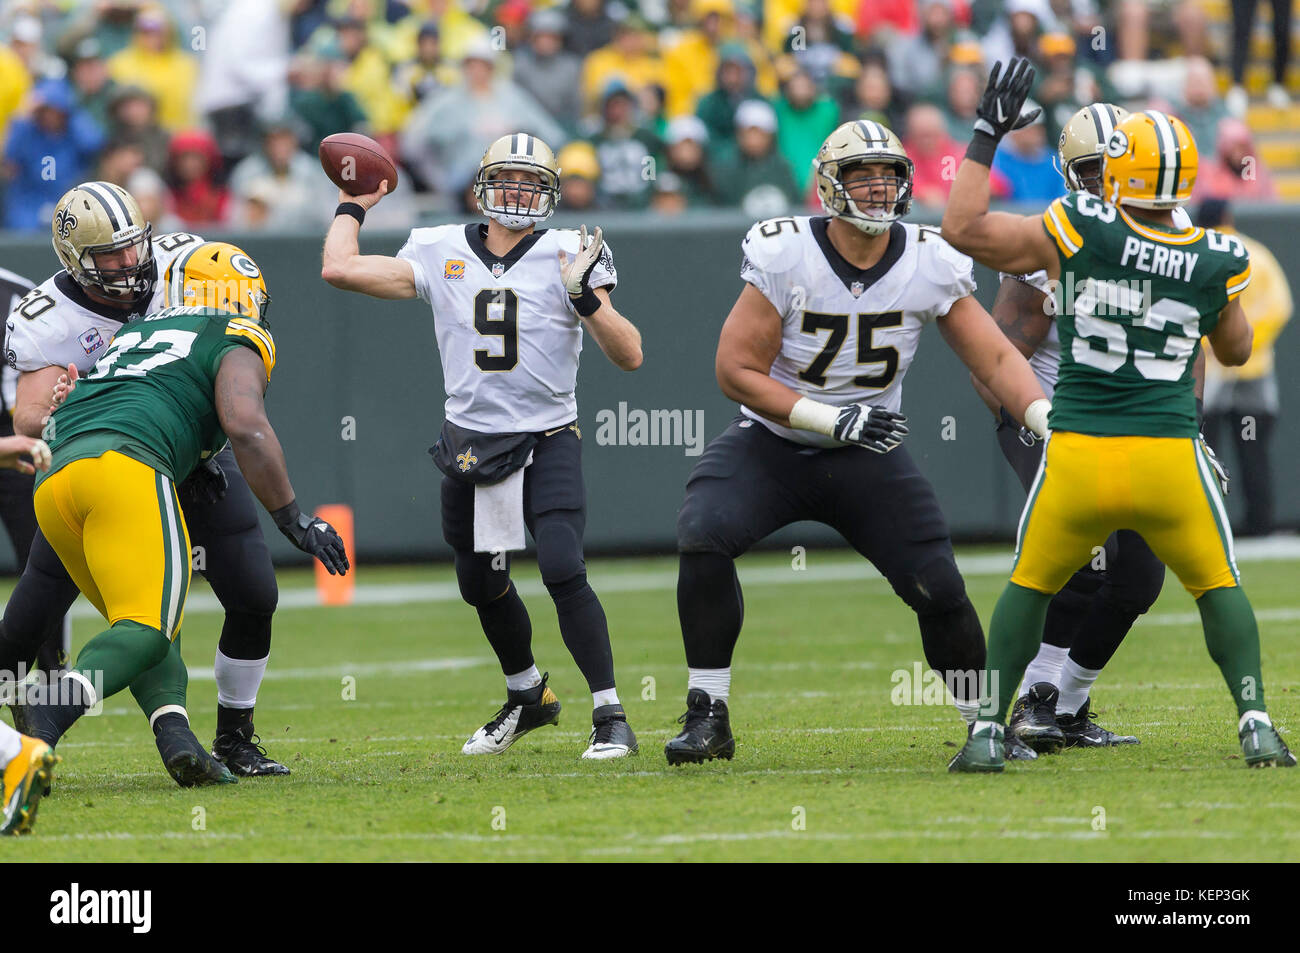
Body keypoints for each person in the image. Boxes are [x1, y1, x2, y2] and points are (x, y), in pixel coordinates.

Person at [942, 58, 1293, 771]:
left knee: (1061, 579)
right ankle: (1253, 720)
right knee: (1212, 581)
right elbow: (1230, 344)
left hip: (1087, 442)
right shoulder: (1210, 251)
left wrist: (985, 136)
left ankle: (1012, 720)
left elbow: (963, 226)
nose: (1100, 182)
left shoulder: (1075, 226)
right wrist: (1034, 420)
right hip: (1122, 439)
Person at [664, 120, 1050, 765]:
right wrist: (826, 417)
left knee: (939, 587)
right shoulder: (786, 253)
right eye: (861, 176)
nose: (878, 188)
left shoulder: (930, 257)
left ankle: (985, 727)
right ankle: (708, 714)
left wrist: (1048, 420)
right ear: (829, 185)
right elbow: (735, 371)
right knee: (703, 533)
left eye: (890, 175)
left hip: (870, 452)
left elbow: (997, 361)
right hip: (774, 441)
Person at [322, 133, 644, 759]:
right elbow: (339, 269)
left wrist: (587, 302)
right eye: (510, 179)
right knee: (480, 582)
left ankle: (611, 716)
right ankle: (528, 697)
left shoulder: (568, 252)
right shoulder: (439, 245)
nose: (520, 192)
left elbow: (629, 353)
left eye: (533, 182)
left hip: (547, 435)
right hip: (474, 443)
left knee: (561, 566)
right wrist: (352, 205)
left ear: (550, 191)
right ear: (482, 185)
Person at [0, 182, 290, 783]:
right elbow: (27, 416)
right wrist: (55, 399)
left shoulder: (183, 260)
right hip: (108, 457)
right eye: (110, 255)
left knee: (254, 592)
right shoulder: (44, 317)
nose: (130, 263)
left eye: (134, 246)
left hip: (192, 455)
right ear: (73, 259)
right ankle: (43, 731)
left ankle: (233, 737)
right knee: (34, 617)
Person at [19, 244, 348, 757]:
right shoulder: (235, 331)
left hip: (57, 472)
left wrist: (193, 452)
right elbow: (245, 425)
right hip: (128, 467)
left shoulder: (128, 334)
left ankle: (168, 737)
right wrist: (294, 520)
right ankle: (51, 708)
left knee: (144, 618)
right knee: (146, 627)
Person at [968, 103, 1216, 751]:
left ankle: (1065, 705)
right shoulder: (1059, 233)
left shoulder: (1171, 229)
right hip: (1048, 413)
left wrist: (1184, 426)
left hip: (1130, 422)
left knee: (1139, 574)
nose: (1107, 184)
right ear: (1070, 173)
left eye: (1116, 169)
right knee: (1085, 547)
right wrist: (1036, 421)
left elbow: (1194, 346)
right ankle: (1025, 703)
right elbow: (994, 357)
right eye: (1093, 171)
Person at [1196, 198, 1292, 538]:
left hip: (1208, 373)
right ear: (1228, 215)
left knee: (1203, 449)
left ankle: (1206, 525)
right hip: (1251, 370)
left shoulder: (1196, 255)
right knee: (1252, 451)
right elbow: (1280, 306)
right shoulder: (1255, 253)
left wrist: (1210, 344)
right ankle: (1259, 525)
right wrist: (1244, 344)